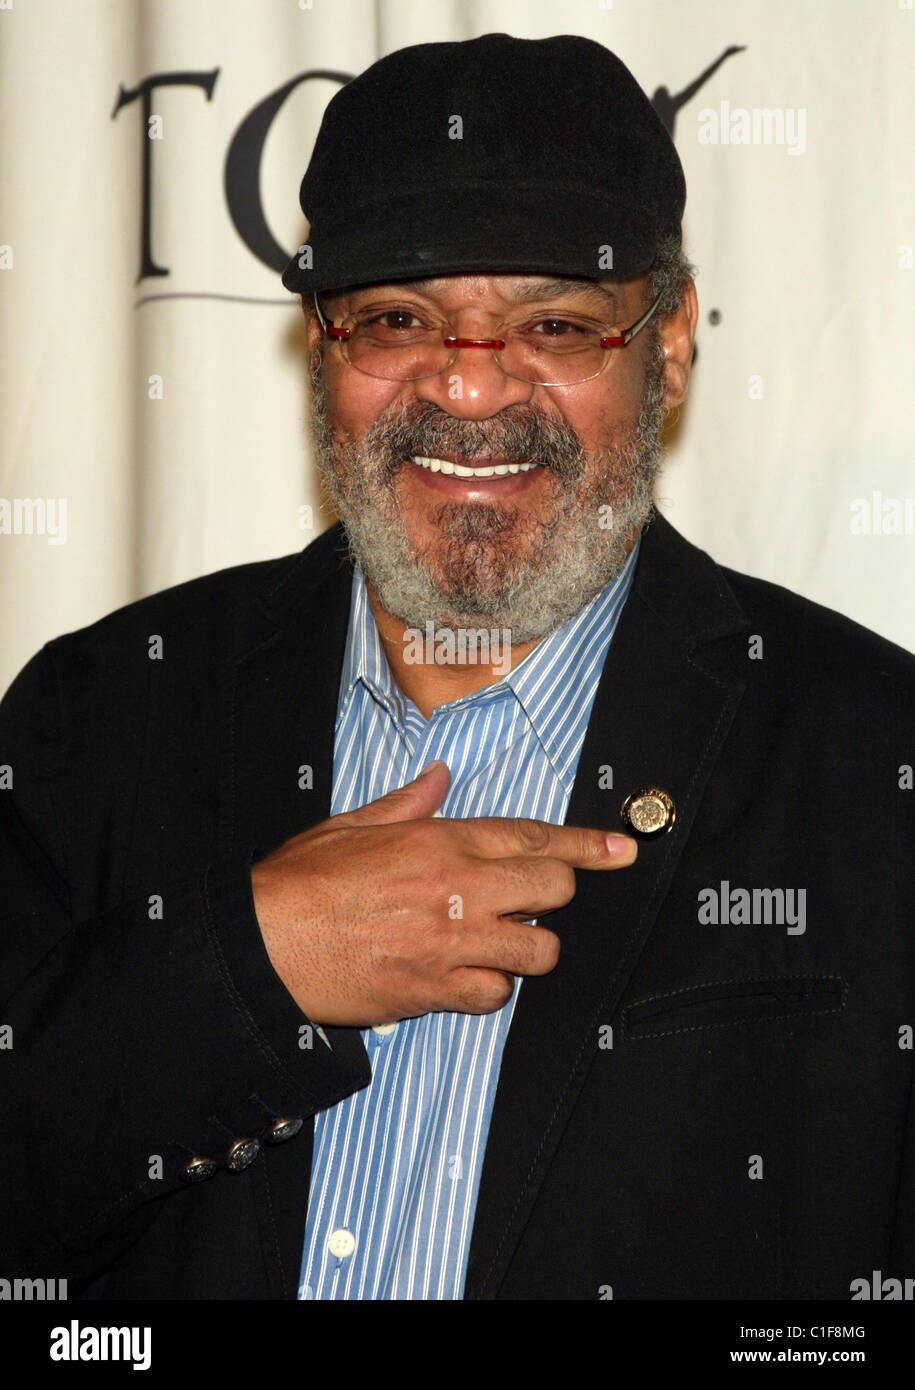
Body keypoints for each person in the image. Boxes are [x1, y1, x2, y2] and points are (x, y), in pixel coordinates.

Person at [1, 33, 913, 1302]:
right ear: (318, 347)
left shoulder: (871, 763)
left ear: (675, 342)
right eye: (397, 316)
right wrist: (249, 972)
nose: (471, 390)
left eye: (553, 322)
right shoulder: (96, 715)